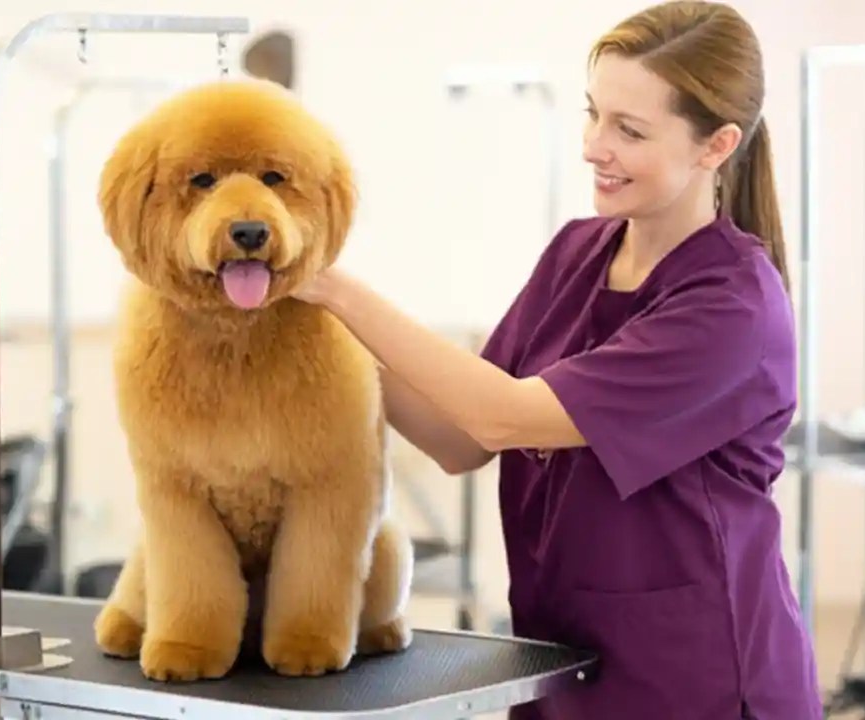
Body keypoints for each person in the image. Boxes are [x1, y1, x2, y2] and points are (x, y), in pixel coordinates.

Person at [291, 1, 821, 717]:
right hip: (560, 662)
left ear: (716, 146)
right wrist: (317, 339)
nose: (593, 146)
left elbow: (504, 417)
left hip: (695, 682)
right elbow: (460, 437)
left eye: (628, 130)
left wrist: (333, 287)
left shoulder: (732, 309)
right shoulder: (578, 252)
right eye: (593, 113)